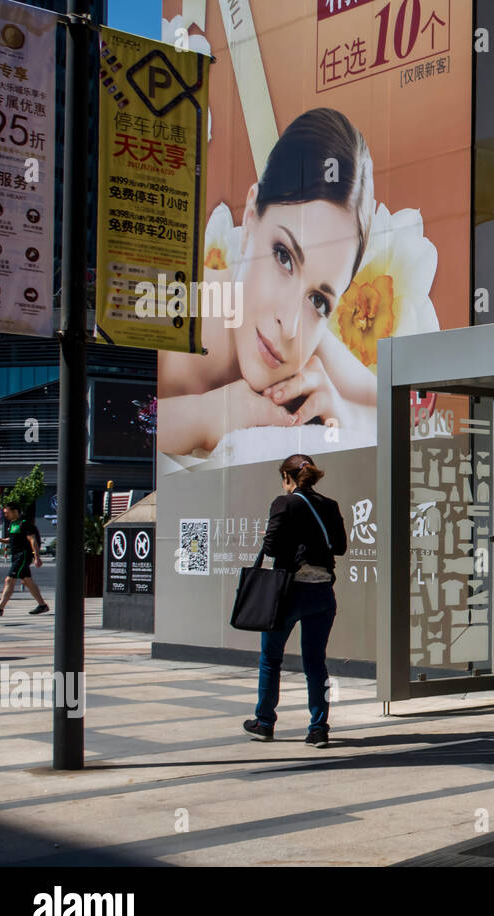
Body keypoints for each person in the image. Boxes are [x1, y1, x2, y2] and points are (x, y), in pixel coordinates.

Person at [159, 108, 380, 455]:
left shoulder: (310, 349)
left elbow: (411, 411)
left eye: (318, 301)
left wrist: (344, 414)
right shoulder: (167, 307)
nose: (290, 324)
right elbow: (82, 424)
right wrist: (206, 417)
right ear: (249, 218)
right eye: (283, 257)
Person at [243, 453, 347, 748]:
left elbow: (272, 547)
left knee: (270, 658)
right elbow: (339, 547)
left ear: (287, 478)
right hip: (322, 593)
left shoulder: (283, 503)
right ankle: (318, 729)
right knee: (316, 662)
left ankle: (264, 722)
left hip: (287, 594)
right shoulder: (329, 505)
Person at [0, 503, 48, 616]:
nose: (5, 515)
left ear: (15, 511)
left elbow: (32, 540)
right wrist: (0, 540)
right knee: (27, 581)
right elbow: (13, 539)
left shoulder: (25, 524)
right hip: (16, 556)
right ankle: (42, 605)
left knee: (9, 580)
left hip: (22, 555)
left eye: (6, 512)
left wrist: (37, 557)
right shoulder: (13, 524)